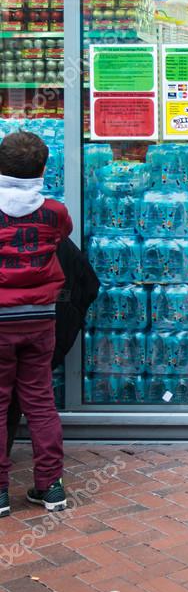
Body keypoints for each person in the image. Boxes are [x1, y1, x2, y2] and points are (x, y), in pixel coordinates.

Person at [0, 132, 73, 516]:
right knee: (40, 401)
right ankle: (50, 486)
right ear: (43, 168)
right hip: (39, 317)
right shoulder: (54, 211)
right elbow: (63, 236)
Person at [6, 238, 100, 459]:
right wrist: (67, 315)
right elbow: (88, 284)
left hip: (9, 331)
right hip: (45, 330)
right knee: (38, 406)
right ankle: (50, 485)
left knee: (7, 405)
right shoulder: (52, 233)